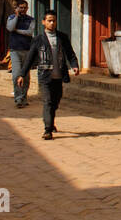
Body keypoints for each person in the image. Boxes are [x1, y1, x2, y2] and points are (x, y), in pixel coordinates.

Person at [17, 11, 80, 140]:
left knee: (56, 101)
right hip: (45, 76)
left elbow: (70, 53)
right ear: (43, 22)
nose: (52, 23)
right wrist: (22, 74)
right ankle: (47, 129)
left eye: (54, 21)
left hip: (59, 76)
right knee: (48, 101)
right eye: (49, 20)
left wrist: (74, 65)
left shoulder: (62, 37)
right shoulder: (38, 40)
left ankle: (50, 121)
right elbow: (30, 58)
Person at [5, 0, 35, 108]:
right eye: (20, 7)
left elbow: (29, 32)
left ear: (27, 8)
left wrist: (17, 31)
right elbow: (10, 28)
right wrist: (16, 17)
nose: (22, 9)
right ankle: (18, 98)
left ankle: (24, 97)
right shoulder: (11, 18)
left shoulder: (31, 20)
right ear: (17, 8)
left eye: (24, 8)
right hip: (15, 50)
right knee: (16, 75)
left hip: (27, 50)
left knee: (26, 76)